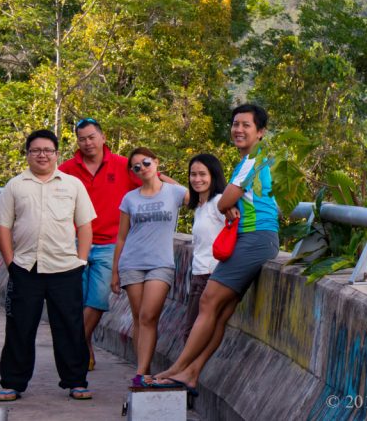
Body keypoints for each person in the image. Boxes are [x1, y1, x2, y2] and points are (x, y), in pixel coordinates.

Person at [153, 104, 278, 393]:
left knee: (208, 302)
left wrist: (228, 204)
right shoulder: (250, 161)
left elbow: (223, 202)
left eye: (246, 125)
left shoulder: (253, 161)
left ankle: (177, 368)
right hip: (258, 238)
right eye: (235, 124)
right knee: (219, 312)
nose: (239, 129)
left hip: (254, 237)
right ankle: (191, 373)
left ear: (260, 132)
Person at [0, 129, 96, 402]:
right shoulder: (15, 186)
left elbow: (85, 226)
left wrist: (81, 261)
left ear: (56, 154)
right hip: (26, 268)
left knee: (70, 327)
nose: (42, 155)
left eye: (47, 150)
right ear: (27, 154)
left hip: (65, 268)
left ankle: (76, 381)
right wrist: (10, 262)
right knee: (19, 326)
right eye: (36, 150)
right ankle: (13, 383)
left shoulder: (73, 185)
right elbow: (3, 227)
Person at [58, 117, 140, 371]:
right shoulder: (67, 169)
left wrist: (190, 194)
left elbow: (153, 179)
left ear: (103, 138)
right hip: (73, 242)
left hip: (109, 244)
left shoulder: (123, 165)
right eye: (82, 138)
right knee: (77, 301)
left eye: (92, 137)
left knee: (98, 299)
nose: (87, 142)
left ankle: (76, 345)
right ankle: (84, 348)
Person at [110, 147, 188, 385]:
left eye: (146, 163)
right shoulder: (130, 198)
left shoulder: (173, 192)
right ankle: (142, 371)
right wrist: (114, 272)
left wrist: (164, 178)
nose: (142, 168)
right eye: (136, 167)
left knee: (148, 315)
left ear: (155, 161)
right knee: (139, 318)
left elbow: (195, 196)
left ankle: (141, 374)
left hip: (161, 263)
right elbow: (121, 237)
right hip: (132, 262)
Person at [182, 154, 229, 341]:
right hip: (198, 274)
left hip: (211, 275)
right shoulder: (200, 207)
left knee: (192, 333)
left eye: (202, 174)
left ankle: (186, 370)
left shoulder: (219, 202)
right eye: (193, 174)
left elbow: (237, 231)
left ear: (213, 175)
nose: (197, 179)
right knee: (192, 332)